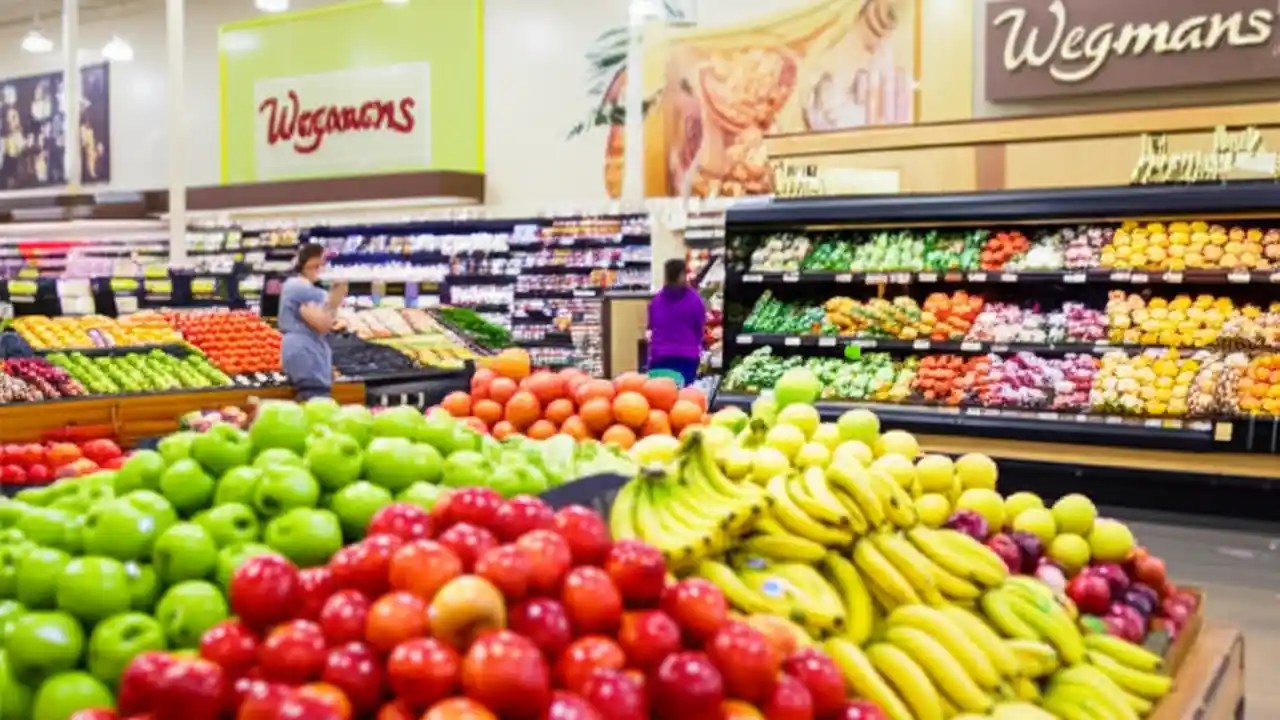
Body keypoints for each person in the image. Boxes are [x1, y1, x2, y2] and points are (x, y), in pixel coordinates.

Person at [279, 243, 346, 399]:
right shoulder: (302, 289)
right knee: (315, 401)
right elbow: (322, 324)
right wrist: (336, 297)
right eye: (322, 263)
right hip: (306, 355)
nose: (324, 267)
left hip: (303, 353)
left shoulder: (299, 287)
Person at [647, 258, 706, 386]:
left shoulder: (656, 301)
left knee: (658, 396)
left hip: (660, 356)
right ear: (682, 275)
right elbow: (699, 327)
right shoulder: (694, 300)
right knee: (683, 397)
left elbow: (652, 325)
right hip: (686, 356)